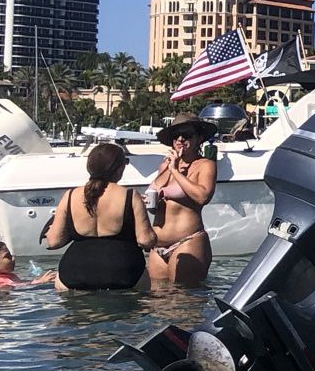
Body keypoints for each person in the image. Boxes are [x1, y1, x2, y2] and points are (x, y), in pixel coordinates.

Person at [42, 142, 156, 291]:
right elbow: (145, 240)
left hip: (73, 273)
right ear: (120, 168)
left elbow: (54, 242)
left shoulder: (70, 195)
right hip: (124, 273)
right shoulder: (130, 195)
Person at [147, 117, 219, 287]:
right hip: (158, 246)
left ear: (198, 139)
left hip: (188, 241)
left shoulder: (205, 165)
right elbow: (155, 207)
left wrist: (175, 171)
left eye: (186, 134)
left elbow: (202, 197)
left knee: (184, 298)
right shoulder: (164, 166)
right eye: (176, 135)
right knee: (158, 298)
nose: (180, 139)